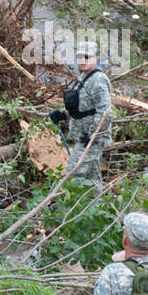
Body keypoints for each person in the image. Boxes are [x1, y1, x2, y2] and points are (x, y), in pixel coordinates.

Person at [50, 40, 112, 194]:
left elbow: (104, 112)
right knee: (92, 177)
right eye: (79, 57)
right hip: (82, 136)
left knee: (72, 176)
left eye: (86, 57)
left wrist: (92, 135)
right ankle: (98, 205)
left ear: (95, 58)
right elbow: (83, 108)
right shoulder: (84, 77)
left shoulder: (98, 80)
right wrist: (63, 115)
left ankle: (68, 209)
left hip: (91, 139)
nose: (82, 61)